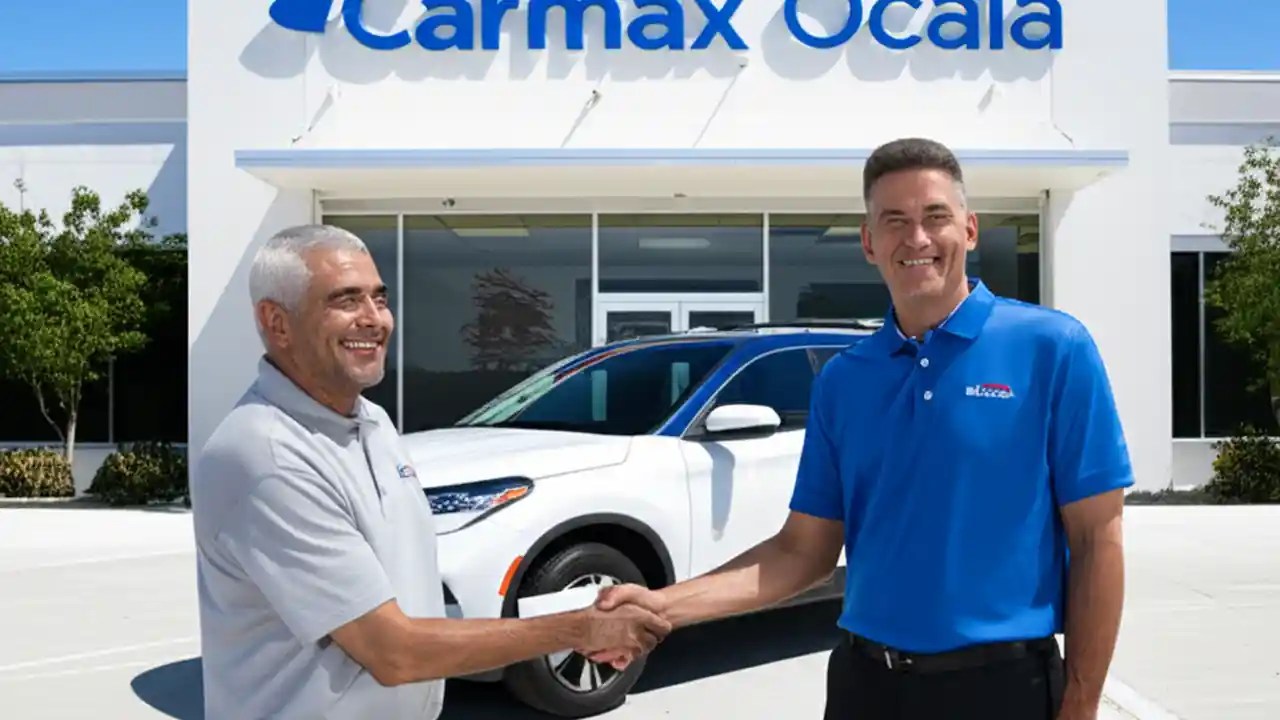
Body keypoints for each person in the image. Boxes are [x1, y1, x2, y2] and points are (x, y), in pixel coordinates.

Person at [591, 138, 1133, 719]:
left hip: (1003, 689)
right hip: (865, 686)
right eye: (894, 220)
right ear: (869, 241)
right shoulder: (844, 380)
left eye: (935, 217)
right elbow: (801, 552)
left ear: (970, 230)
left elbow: (1097, 539)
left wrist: (1081, 704)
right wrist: (660, 606)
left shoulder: (1053, 348)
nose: (916, 238)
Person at [190, 225, 670, 720]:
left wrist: (595, 614)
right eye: (346, 300)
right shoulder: (266, 455)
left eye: (380, 298)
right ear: (277, 322)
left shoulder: (373, 422)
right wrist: (576, 629)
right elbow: (391, 651)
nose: (374, 319)